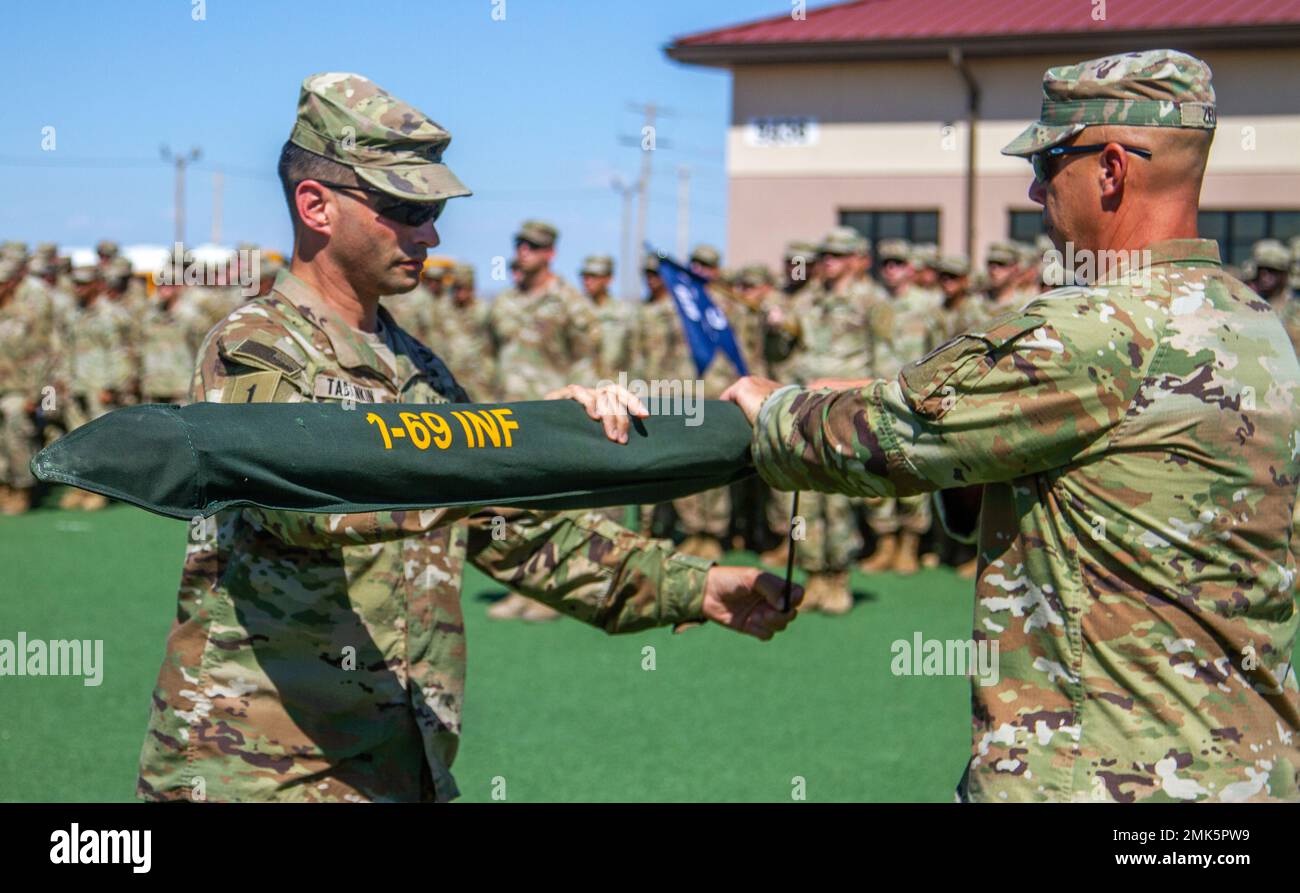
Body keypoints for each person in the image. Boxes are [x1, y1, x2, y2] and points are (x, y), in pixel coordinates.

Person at [137, 73, 798, 803]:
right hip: (261, 769)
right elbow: (305, 502)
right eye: (405, 208)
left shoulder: (416, 365)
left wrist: (693, 585)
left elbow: (508, 526)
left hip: (397, 762)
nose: (431, 232)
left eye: (433, 209)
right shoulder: (255, 347)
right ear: (316, 205)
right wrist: (514, 443)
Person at [724, 50, 1300, 802]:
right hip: (1243, 779)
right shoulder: (1255, 325)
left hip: (1099, 777)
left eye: (1050, 160)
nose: (1033, 188)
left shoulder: (1095, 328)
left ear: (1112, 169)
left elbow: (887, 439)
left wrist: (772, 406)